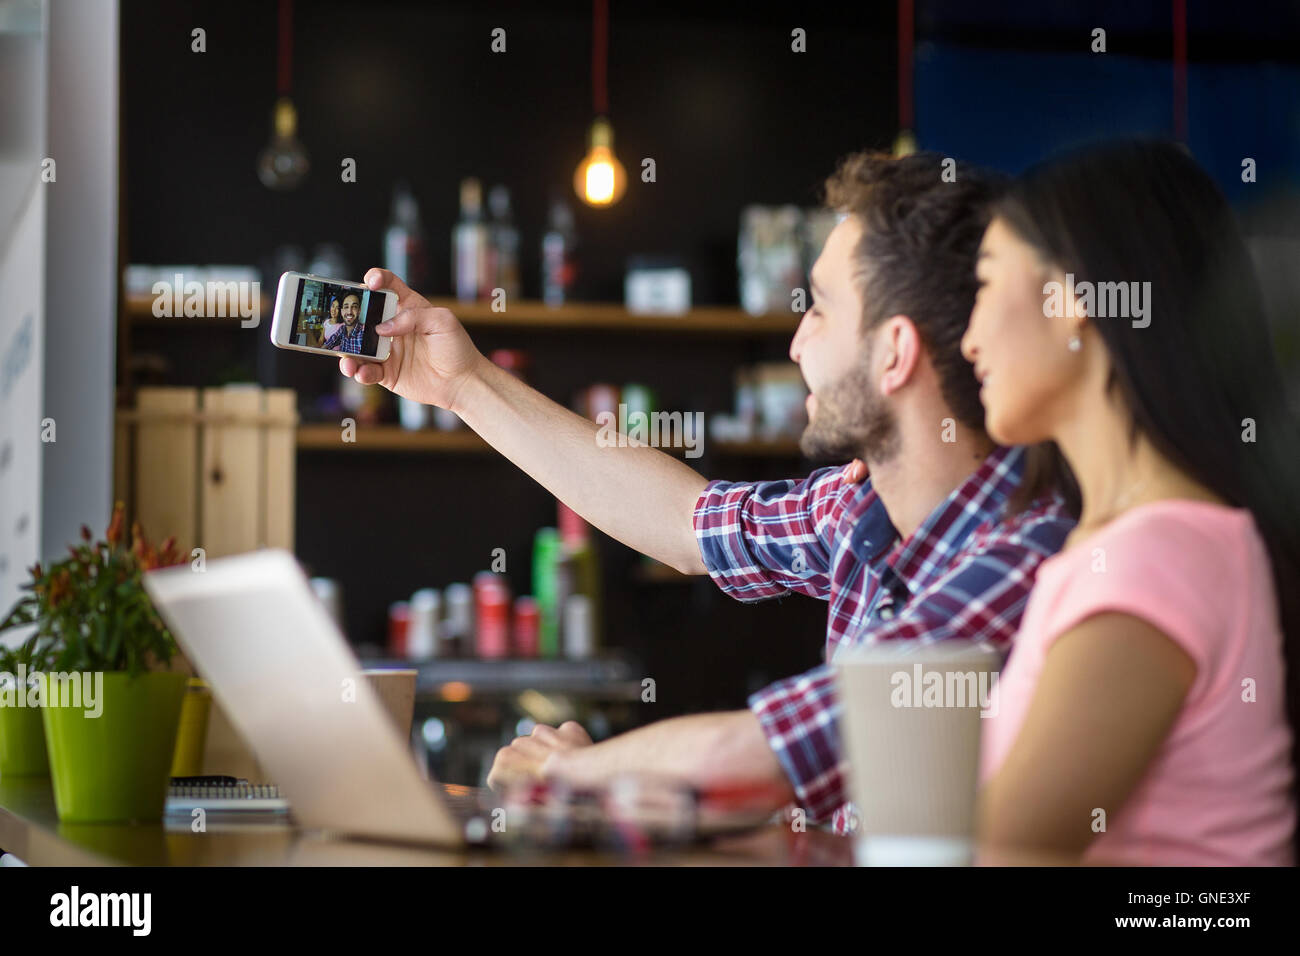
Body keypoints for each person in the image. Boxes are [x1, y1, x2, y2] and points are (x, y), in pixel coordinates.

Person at [339, 152, 1074, 831]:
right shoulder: (864, 509)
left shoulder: (1026, 554)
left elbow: (773, 751)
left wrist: (575, 772)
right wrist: (463, 383)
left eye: (817, 309)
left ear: (895, 354)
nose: (795, 344)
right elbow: (689, 524)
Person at [966, 140, 1299, 865]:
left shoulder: (1159, 554)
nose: (968, 339)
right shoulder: (1136, 542)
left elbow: (1000, 853)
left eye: (986, 285)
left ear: (1073, 298)